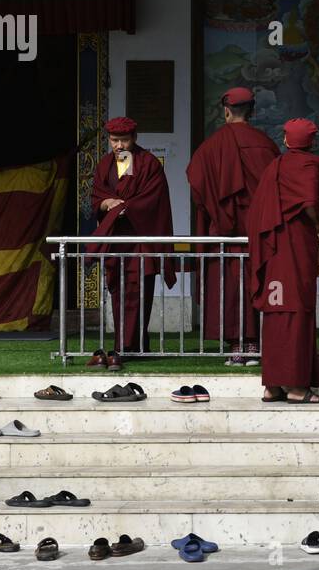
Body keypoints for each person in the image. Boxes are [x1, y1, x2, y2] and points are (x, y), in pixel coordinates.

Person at [186, 87, 280, 366]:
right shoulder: (266, 145)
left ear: (226, 110)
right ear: (251, 111)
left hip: (225, 234)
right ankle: (255, 344)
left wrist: (217, 210)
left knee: (229, 286)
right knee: (257, 283)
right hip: (259, 233)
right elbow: (277, 188)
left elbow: (197, 185)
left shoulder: (211, 146)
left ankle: (237, 347)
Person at [246, 117, 319, 403]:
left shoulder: (275, 166)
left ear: (286, 140)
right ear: (312, 141)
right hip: (295, 249)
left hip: (273, 250)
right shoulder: (310, 164)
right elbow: (308, 204)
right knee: (297, 312)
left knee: (275, 313)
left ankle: (272, 386)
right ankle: (296, 388)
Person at [89, 116, 177, 364]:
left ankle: (133, 346)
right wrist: (107, 203)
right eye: (114, 140)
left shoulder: (149, 163)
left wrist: (124, 207)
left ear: (135, 139)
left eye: (124, 140)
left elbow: (153, 199)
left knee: (139, 292)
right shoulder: (105, 164)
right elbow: (98, 195)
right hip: (115, 240)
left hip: (139, 239)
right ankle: (123, 345)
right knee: (118, 291)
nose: (119, 146)